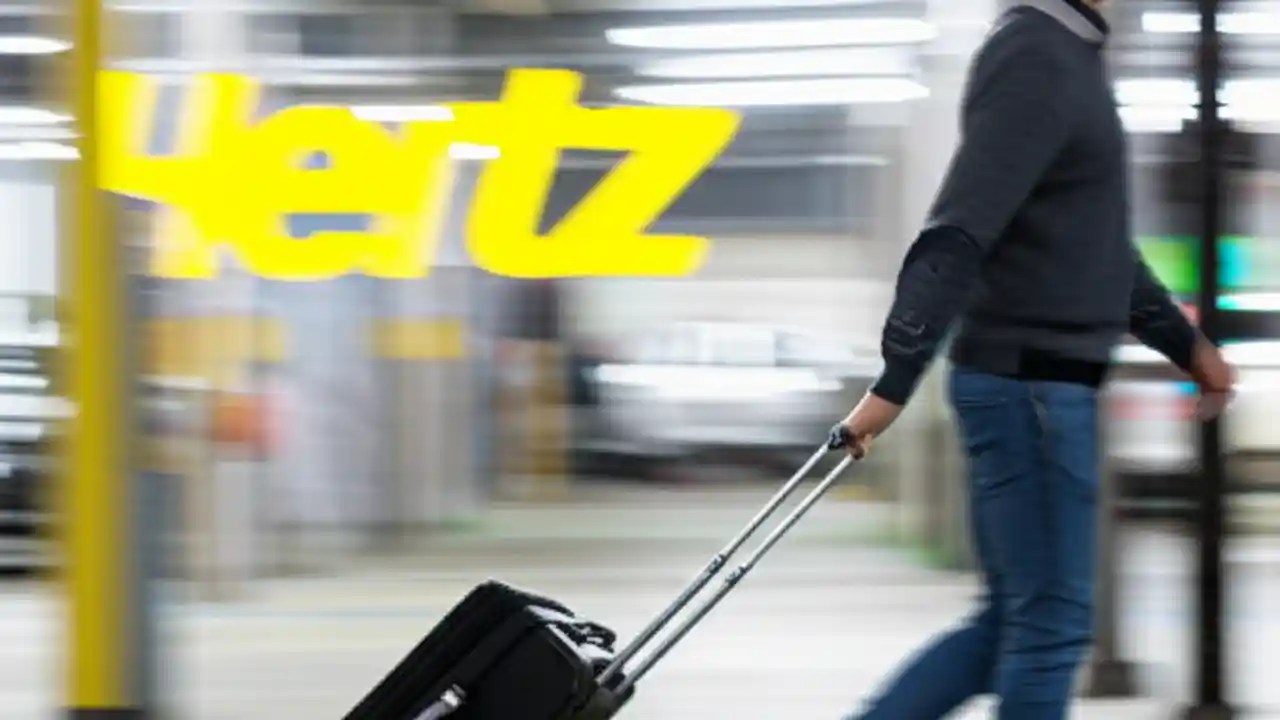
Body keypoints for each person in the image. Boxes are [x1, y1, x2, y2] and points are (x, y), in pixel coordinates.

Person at [836, 0, 1235, 718]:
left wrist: (1188, 347)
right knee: (1050, 628)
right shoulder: (1037, 53)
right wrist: (893, 384)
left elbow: (1097, 249)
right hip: (1033, 389)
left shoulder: (1068, 52)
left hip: (1037, 386)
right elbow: (957, 230)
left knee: (1010, 627)